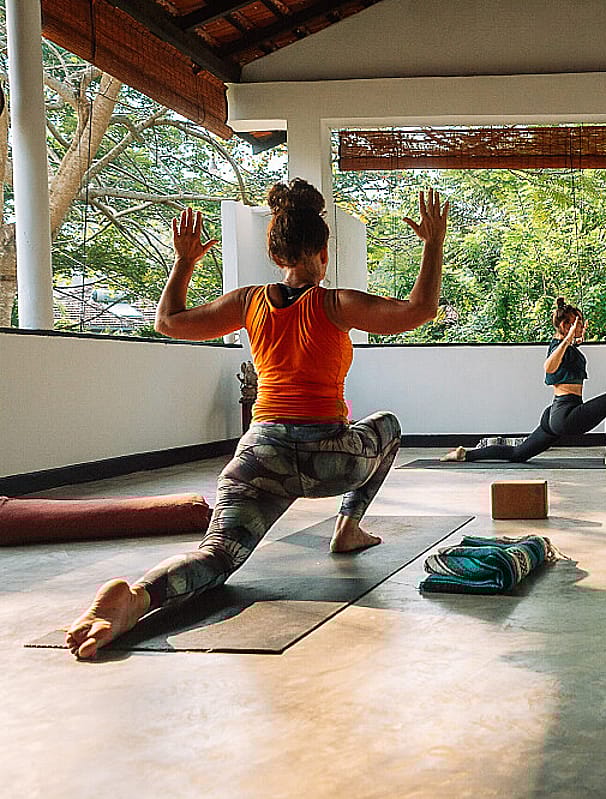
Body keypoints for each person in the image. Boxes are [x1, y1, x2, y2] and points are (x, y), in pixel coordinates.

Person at [65, 180, 449, 659]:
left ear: (277, 252)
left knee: (217, 555)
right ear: (323, 251)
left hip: (258, 455)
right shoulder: (334, 303)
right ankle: (347, 528)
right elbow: (421, 309)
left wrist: (184, 262)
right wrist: (432, 246)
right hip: (324, 457)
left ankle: (139, 598)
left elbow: (169, 323)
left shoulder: (249, 301)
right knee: (387, 424)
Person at [442, 298, 606, 467]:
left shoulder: (566, 348)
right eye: (578, 323)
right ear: (564, 326)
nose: (582, 326)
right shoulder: (557, 347)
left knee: (518, 454)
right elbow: (549, 367)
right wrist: (569, 339)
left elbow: (565, 361)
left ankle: (465, 454)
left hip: (555, 413)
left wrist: (574, 341)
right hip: (566, 415)